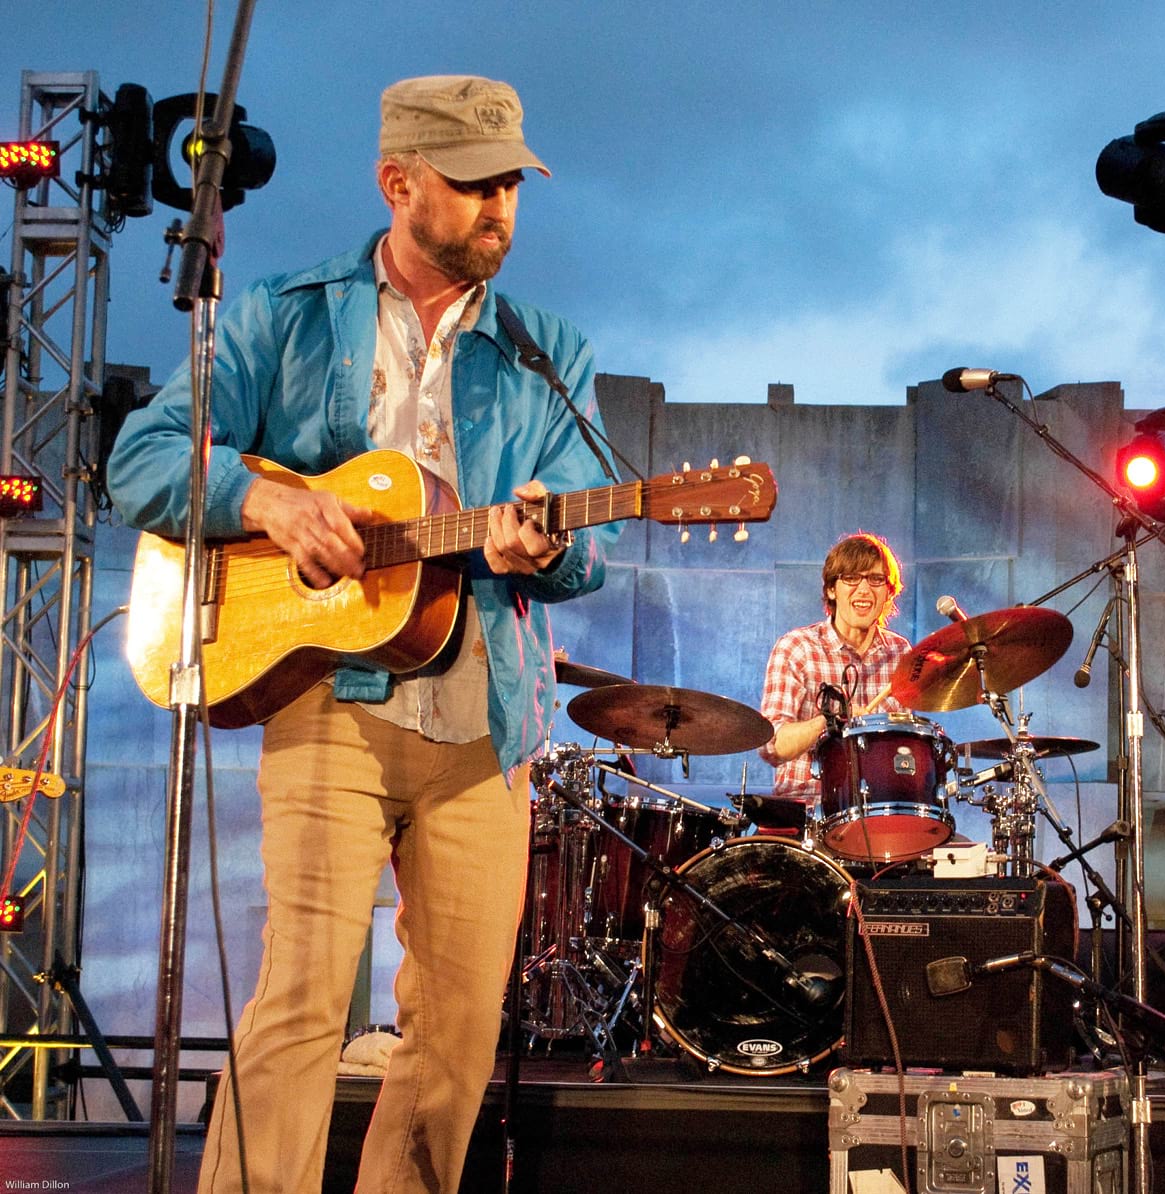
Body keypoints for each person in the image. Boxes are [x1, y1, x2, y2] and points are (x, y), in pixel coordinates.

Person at [107, 76, 616, 1193]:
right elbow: (141, 459)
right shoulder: (286, 314)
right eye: (475, 185)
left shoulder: (549, 351)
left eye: (512, 187)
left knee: (456, 1033)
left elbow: (590, 540)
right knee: (299, 992)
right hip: (324, 696)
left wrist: (548, 545)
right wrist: (271, 503)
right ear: (399, 184)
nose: (502, 209)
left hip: (485, 717)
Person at [757, 533, 910, 815]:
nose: (864, 589)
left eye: (876, 580)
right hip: (808, 815)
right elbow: (772, 746)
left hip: (878, 815)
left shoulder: (901, 654)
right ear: (831, 589)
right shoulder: (798, 648)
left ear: (889, 592)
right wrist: (831, 721)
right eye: (851, 578)